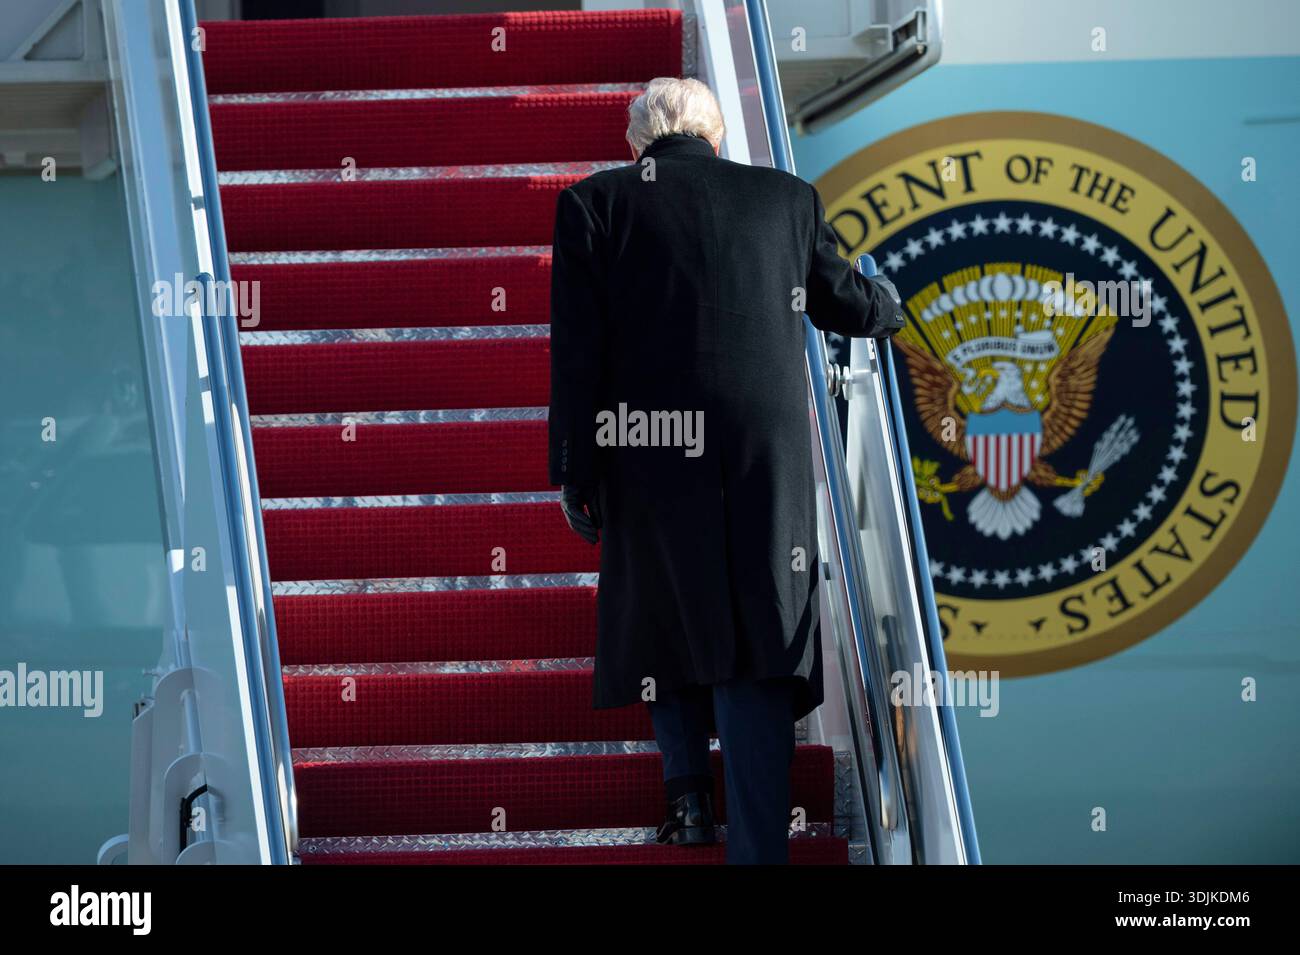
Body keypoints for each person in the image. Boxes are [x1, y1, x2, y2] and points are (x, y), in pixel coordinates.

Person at [548, 76, 904, 864]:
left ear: (634, 146)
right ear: (716, 140)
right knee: (758, 622)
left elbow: (577, 355)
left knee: (660, 601)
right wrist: (891, 304)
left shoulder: (593, 204)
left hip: (644, 440)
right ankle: (756, 840)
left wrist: (575, 471)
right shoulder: (786, 197)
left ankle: (686, 798)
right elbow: (846, 303)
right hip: (760, 445)